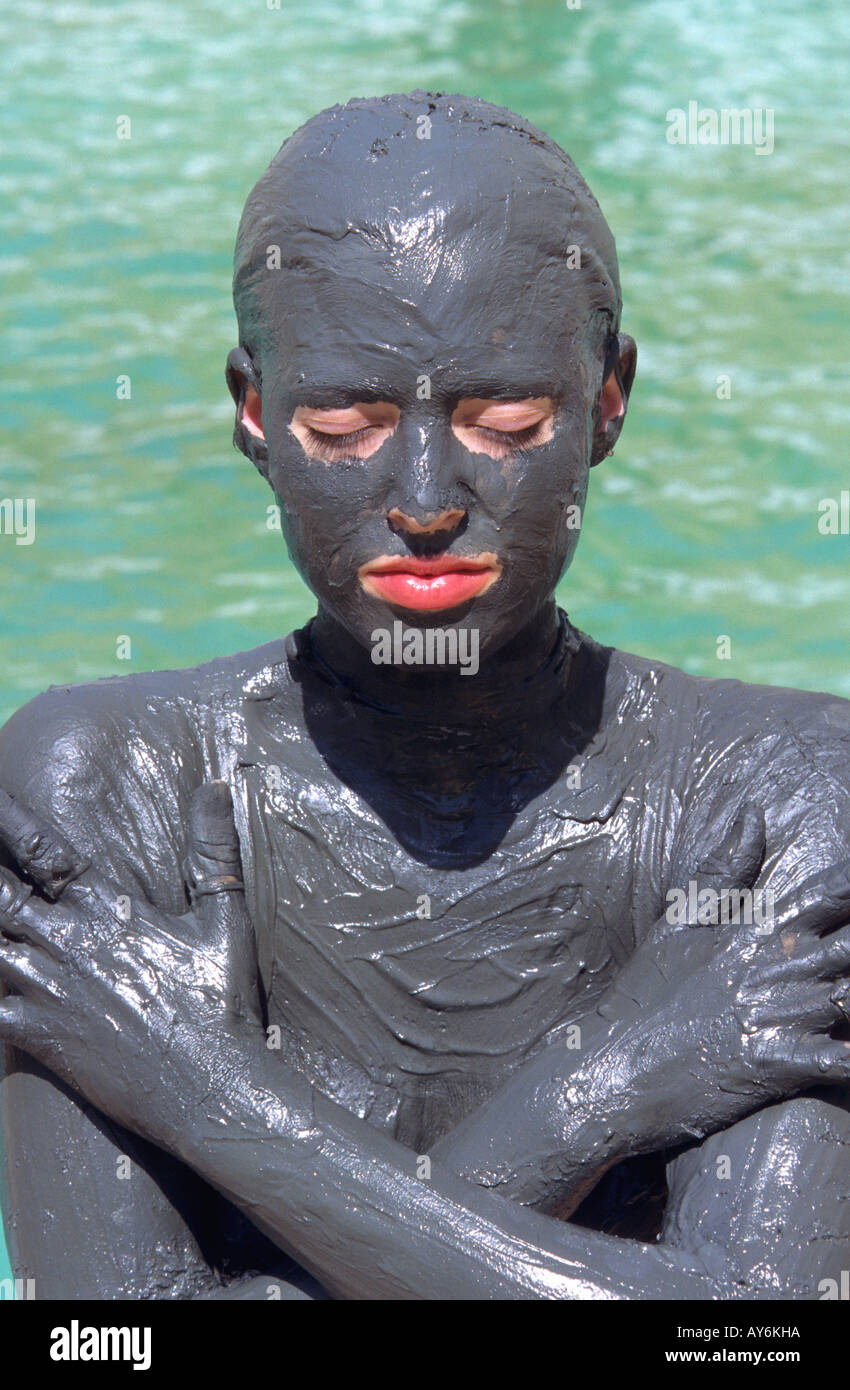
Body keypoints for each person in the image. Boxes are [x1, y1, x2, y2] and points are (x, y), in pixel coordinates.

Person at [1, 91, 850, 1301]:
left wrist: (197, 1090)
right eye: (341, 425)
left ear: (609, 399)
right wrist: (603, 1087)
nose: (422, 500)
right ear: (252, 411)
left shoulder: (786, 793)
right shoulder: (106, 787)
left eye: (503, 419)